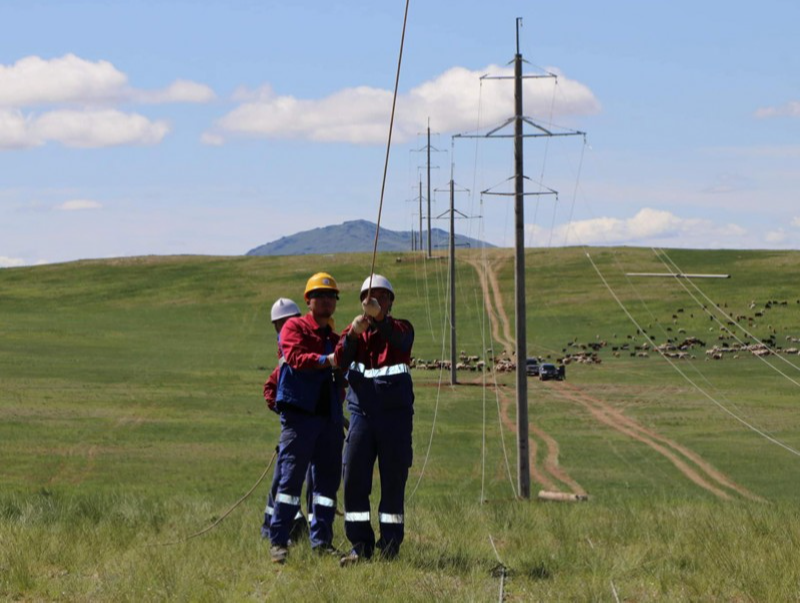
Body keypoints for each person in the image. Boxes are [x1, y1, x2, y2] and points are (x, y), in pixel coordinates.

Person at [334, 274, 415, 565]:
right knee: (354, 479)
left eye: (381, 296)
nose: (374, 300)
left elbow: (399, 338)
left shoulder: (402, 328)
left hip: (395, 419)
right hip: (361, 418)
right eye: (369, 296)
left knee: (393, 481)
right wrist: (353, 335)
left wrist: (379, 318)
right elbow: (340, 361)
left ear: (390, 302)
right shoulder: (354, 332)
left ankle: (390, 546)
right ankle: (360, 545)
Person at [269, 273, 345, 564]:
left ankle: (322, 542)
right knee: (290, 481)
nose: (326, 301)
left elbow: (345, 369)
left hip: (329, 419)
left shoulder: (335, 339)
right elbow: (297, 358)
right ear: (308, 301)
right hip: (300, 418)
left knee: (326, 486)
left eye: (331, 297)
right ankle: (279, 542)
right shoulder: (294, 327)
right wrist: (327, 361)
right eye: (320, 296)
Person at [261, 297, 312, 542]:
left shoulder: (310, 345)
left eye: (287, 322)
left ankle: (313, 533)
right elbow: (270, 388)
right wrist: (285, 411)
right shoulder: (284, 358)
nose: (283, 329)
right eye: (278, 325)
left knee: (314, 482)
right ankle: (271, 529)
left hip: (317, 426)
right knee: (282, 480)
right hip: (294, 428)